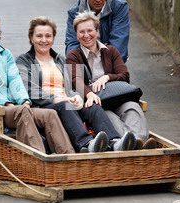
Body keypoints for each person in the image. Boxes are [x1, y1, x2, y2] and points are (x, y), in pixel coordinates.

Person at [0, 11, 75, 155]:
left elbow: (15, 80)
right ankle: (40, 158)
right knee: (21, 111)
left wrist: (24, 100)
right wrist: (7, 103)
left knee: (49, 114)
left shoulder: (4, 54)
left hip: (16, 109)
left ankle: (68, 157)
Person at [16, 16, 136, 153]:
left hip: (67, 102)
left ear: (53, 38)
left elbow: (74, 85)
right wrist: (57, 99)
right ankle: (86, 143)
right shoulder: (24, 60)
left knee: (93, 107)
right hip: (44, 105)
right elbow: (29, 89)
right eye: (39, 36)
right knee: (65, 105)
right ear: (31, 37)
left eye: (48, 36)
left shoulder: (61, 59)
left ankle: (114, 142)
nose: (44, 40)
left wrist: (77, 97)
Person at [66, 11, 157, 149]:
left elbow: (124, 75)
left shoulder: (111, 51)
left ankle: (139, 141)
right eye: (81, 32)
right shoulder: (74, 56)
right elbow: (75, 79)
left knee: (133, 107)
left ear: (97, 31)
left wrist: (107, 77)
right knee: (108, 117)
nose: (86, 35)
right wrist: (89, 93)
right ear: (76, 34)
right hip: (98, 104)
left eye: (90, 30)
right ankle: (129, 144)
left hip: (117, 98)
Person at [65, 0, 130, 63]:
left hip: (111, 60)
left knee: (116, 74)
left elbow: (119, 43)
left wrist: (105, 73)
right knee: (74, 69)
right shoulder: (75, 12)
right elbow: (72, 44)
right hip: (85, 60)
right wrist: (79, 72)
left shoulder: (119, 6)